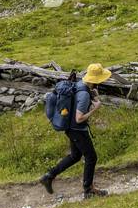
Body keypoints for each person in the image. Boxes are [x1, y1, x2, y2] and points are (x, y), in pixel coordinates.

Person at [40, 63, 111, 198]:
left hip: (70, 128)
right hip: (78, 129)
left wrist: (95, 97)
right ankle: (88, 190)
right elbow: (79, 118)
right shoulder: (84, 94)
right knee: (91, 157)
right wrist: (96, 108)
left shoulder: (80, 85)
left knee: (75, 156)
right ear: (95, 80)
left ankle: (48, 176)